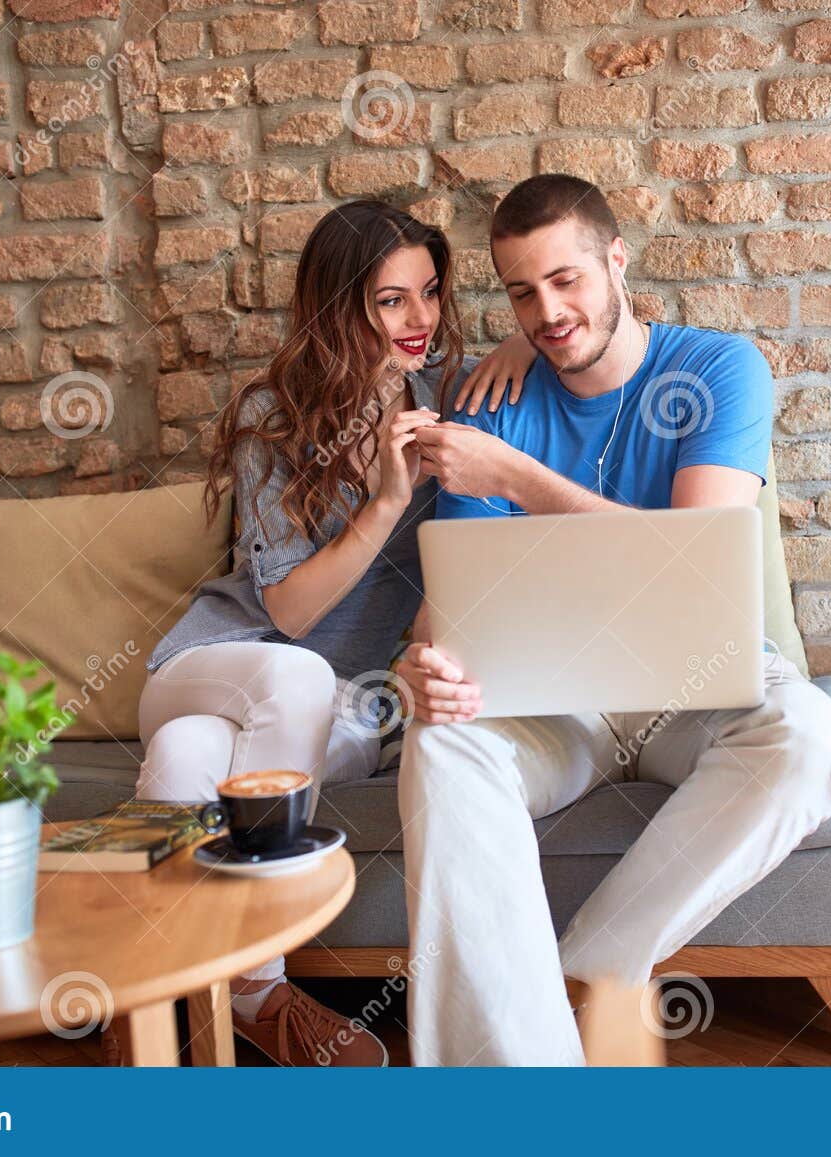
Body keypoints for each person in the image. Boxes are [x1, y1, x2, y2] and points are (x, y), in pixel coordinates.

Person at [394, 174, 831, 1065]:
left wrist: (516, 479)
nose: (548, 311)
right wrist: (427, 663)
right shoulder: (497, 403)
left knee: (813, 733)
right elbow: (457, 601)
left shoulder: (719, 369)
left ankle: (586, 971)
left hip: (698, 684)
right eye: (523, 292)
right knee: (440, 741)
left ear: (617, 261)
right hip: (555, 699)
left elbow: (691, 564)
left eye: (566, 279)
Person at [135, 199, 534, 1066]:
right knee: (294, 681)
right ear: (338, 305)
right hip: (214, 661)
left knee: (184, 759)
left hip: (352, 705)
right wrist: (388, 500)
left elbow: (577, 340)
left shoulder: (456, 399)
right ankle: (265, 991)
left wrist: (520, 346)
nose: (421, 319)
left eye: (430, 294)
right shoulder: (272, 420)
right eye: (393, 301)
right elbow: (289, 615)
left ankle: (173, 1001)